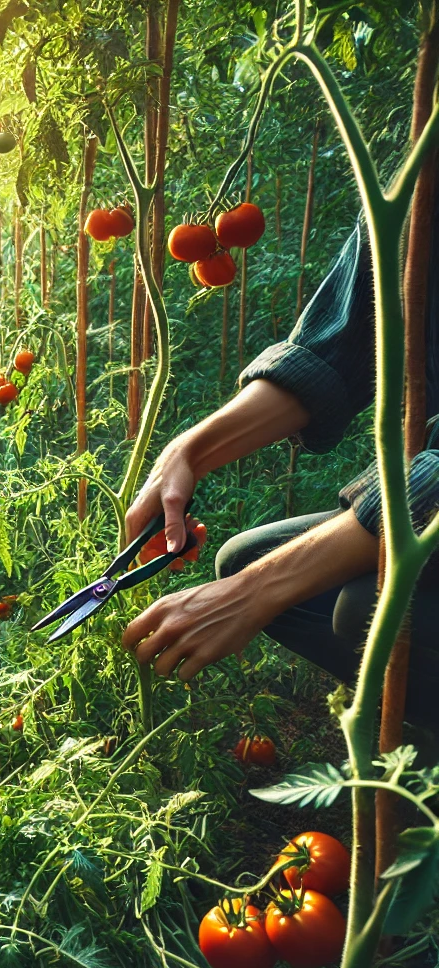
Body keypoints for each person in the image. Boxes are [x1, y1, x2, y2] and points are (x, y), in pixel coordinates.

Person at [121, 221, 439, 724]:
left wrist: (256, 591)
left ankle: (419, 779)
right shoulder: (421, 164)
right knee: (250, 557)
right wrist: (188, 452)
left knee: (363, 605)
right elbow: (340, 344)